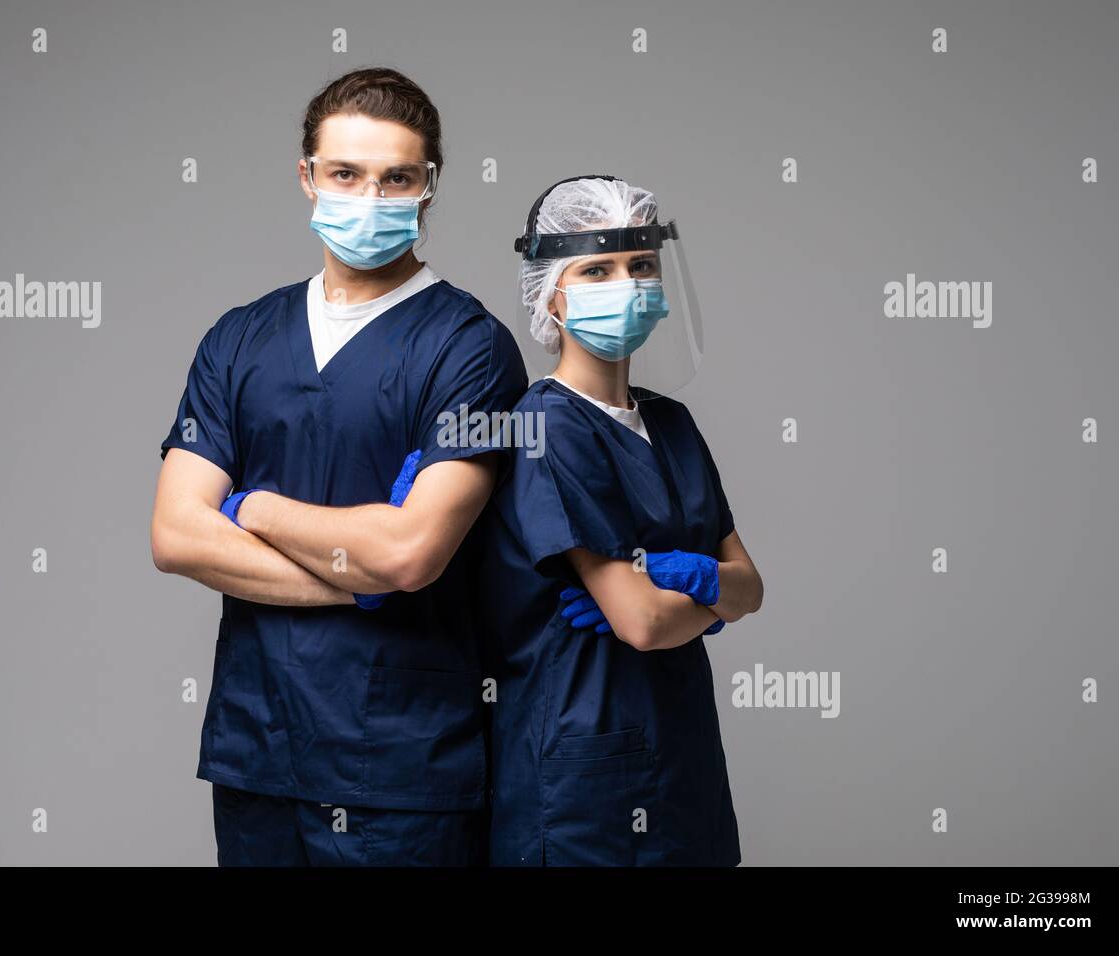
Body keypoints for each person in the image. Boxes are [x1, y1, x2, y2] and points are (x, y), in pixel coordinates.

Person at [150, 68, 527, 866]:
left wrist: (250, 508)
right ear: (308, 177)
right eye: (346, 174)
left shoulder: (474, 349)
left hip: (401, 762)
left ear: (430, 187)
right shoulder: (239, 338)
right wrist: (368, 573)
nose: (370, 196)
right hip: (259, 749)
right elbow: (177, 536)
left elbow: (412, 553)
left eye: (398, 178)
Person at [478, 175, 763, 866]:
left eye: (641, 266)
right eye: (597, 269)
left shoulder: (672, 423)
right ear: (551, 292)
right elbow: (642, 620)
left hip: (680, 758)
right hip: (583, 777)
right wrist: (711, 597)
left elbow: (752, 586)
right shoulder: (544, 427)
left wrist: (701, 588)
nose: (627, 284)